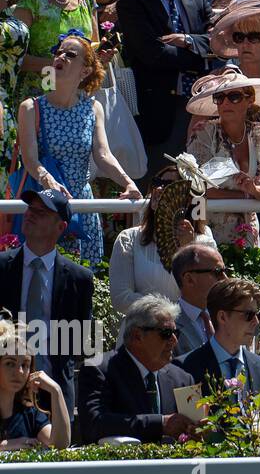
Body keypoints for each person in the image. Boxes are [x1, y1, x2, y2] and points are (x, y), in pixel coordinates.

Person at [16, 31, 141, 263]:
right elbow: (30, 160)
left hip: (81, 205)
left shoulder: (94, 108)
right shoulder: (31, 108)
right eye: (59, 52)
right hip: (43, 205)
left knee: (81, 281)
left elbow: (103, 155)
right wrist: (49, 182)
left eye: (70, 54)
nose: (60, 57)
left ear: (85, 70)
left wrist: (128, 183)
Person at [117, 0, 214, 176]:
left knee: (201, 187)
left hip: (201, 108)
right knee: (160, 186)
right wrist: (200, 55)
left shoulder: (196, 0)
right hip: (159, 114)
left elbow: (220, 44)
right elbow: (153, 54)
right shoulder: (133, 3)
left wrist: (188, 41)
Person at [0, 188, 93, 408]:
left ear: (60, 227)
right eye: (30, 208)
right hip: (5, 392)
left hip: (55, 390)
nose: (30, 214)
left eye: (41, 212)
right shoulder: (2, 267)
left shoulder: (80, 278)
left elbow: (82, 341)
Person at [77, 294, 197, 444]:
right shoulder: (99, 369)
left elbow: (197, 434)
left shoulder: (183, 378)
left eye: (175, 332)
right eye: (166, 333)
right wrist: (160, 424)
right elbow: (94, 425)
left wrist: (202, 430)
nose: (174, 340)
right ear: (137, 336)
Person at [184, 69, 260, 247]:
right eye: (219, 97)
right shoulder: (203, 133)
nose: (225, 103)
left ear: (250, 99)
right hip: (208, 233)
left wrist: (255, 190)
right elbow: (200, 188)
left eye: (234, 96)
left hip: (248, 233)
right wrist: (247, 194)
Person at [107, 161, 217, 312]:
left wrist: (190, 250)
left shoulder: (204, 241)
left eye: (169, 185)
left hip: (188, 330)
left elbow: (208, 296)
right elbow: (121, 299)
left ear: (188, 197)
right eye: (157, 182)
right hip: (143, 329)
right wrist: (167, 314)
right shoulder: (129, 239)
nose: (159, 189)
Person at [181, 276, 260, 420]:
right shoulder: (186, 368)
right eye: (249, 315)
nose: (256, 322)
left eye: (258, 314)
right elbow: (187, 432)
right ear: (222, 317)